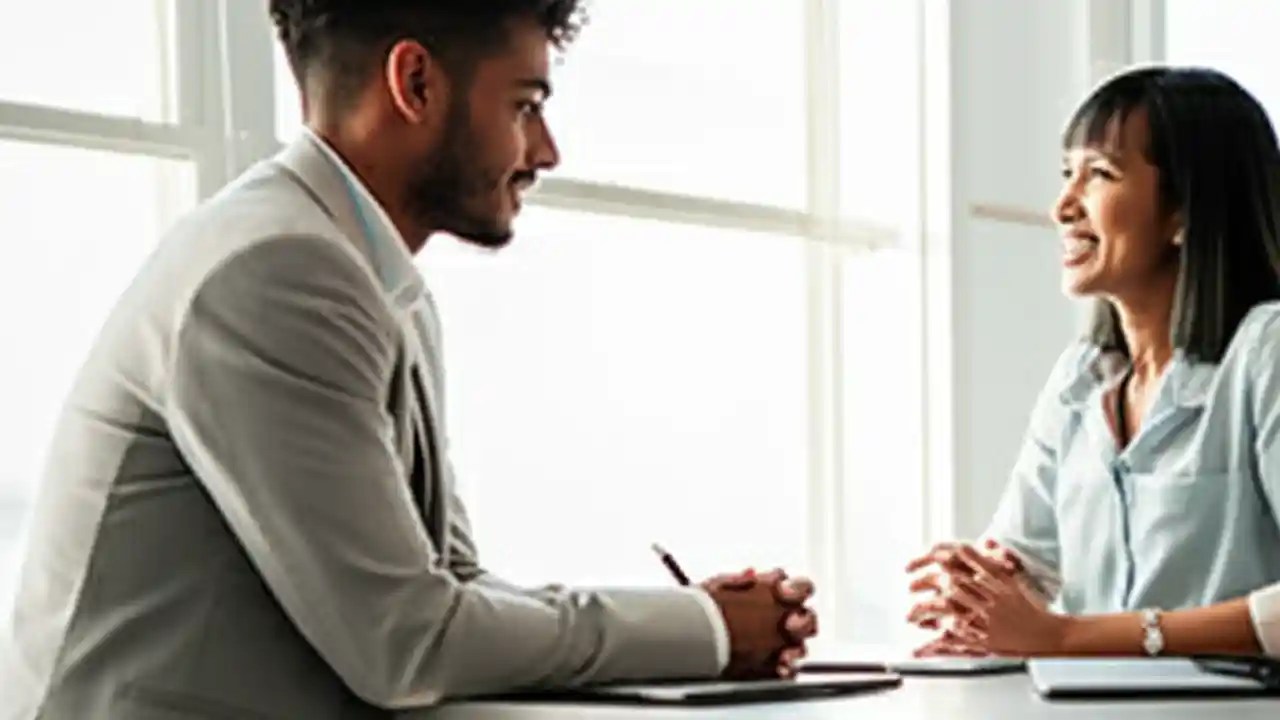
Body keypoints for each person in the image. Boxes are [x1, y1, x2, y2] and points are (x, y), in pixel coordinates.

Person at [0, 2, 817, 717]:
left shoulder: (365, 275)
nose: (547, 150)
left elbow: (451, 581)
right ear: (415, 84)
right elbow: (407, 641)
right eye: (525, 105)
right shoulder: (277, 272)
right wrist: (705, 630)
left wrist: (702, 622)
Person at [906, 66, 1280, 659]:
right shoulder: (1081, 378)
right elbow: (1023, 562)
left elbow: (1056, 633)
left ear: (1186, 210)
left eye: (1099, 174)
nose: (1062, 206)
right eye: (1066, 174)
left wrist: (1068, 636)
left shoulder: (1266, 350)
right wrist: (976, 589)